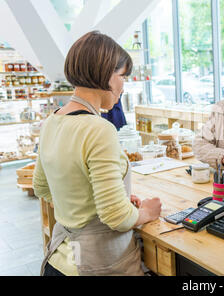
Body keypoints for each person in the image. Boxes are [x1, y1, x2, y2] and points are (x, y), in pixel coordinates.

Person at [33, 31, 162, 276]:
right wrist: (145, 212)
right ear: (106, 75)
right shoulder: (99, 129)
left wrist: (96, 202)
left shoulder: (51, 121)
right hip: (98, 265)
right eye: (122, 76)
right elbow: (116, 217)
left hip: (59, 261)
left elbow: (42, 187)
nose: (123, 85)